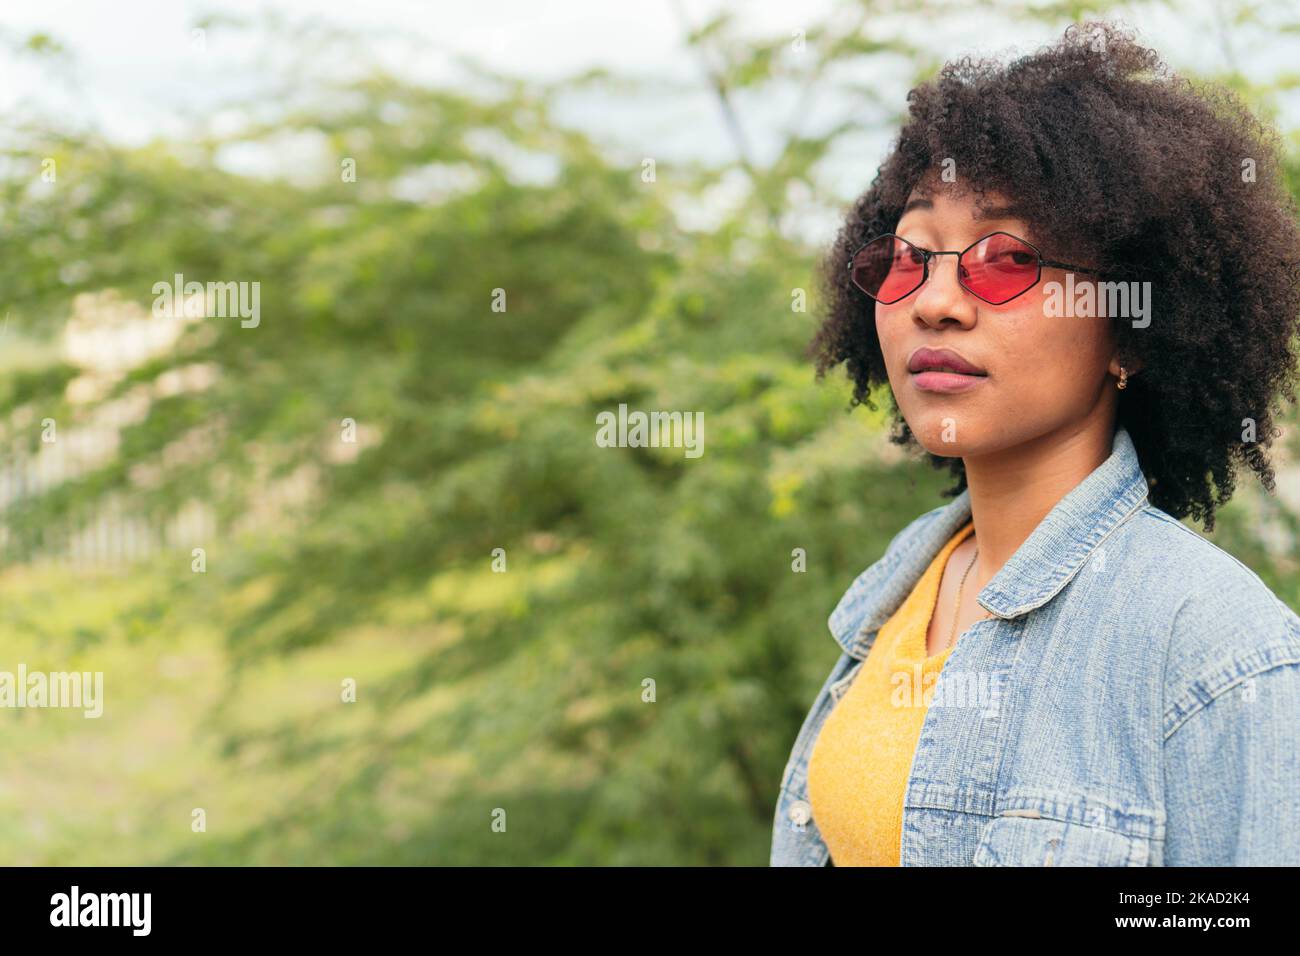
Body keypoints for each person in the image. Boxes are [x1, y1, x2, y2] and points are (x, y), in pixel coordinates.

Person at [771, 20, 1300, 866]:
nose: (935, 301)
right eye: (910, 256)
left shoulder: (1216, 649)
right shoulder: (903, 588)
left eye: (1007, 259)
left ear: (1129, 332)